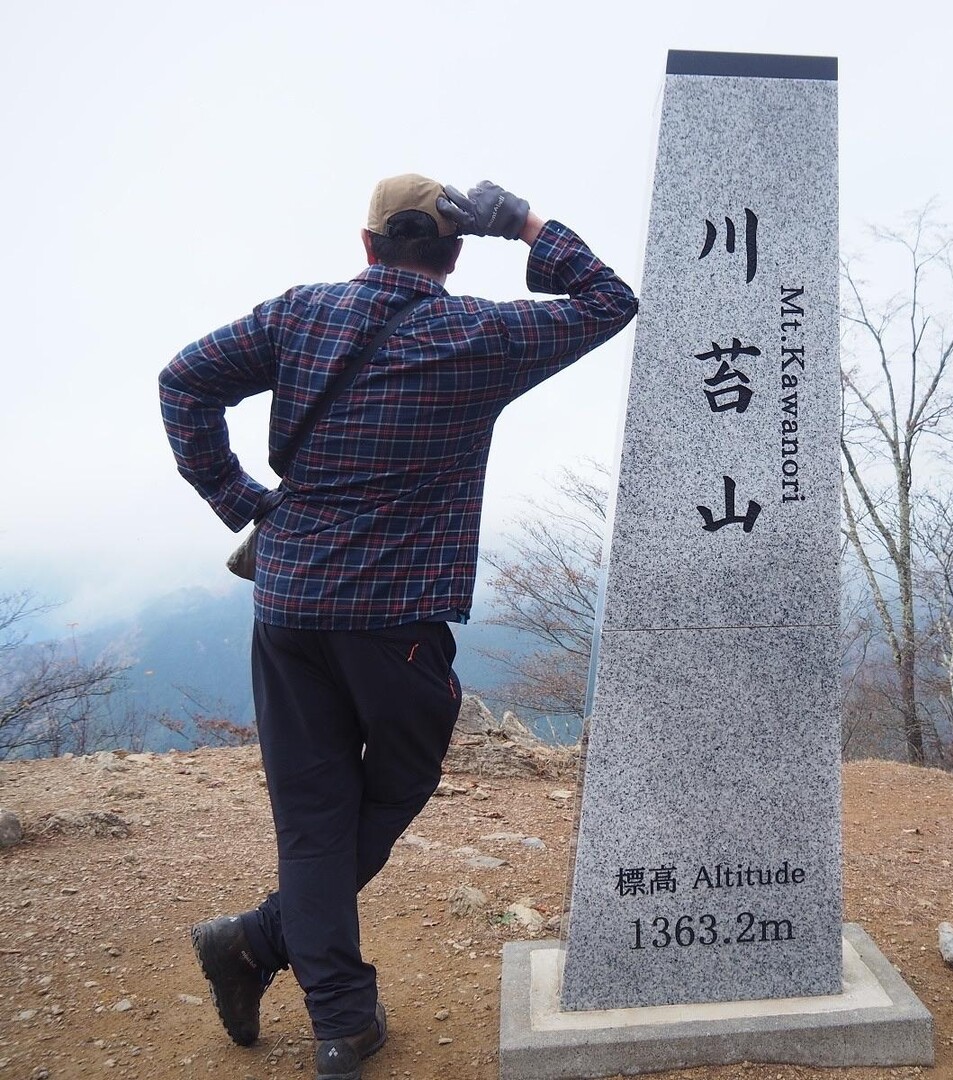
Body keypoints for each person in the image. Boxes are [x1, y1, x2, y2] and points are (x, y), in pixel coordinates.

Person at [159, 174, 636, 1080]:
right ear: (454, 252)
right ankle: (272, 957)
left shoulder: (300, 315)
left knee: (312, 821)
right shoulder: (481, 334)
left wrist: (242, 501)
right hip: (396, 625)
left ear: (369, 243)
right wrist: (529, 225)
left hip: (290, 606)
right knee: (402, 779)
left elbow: (183, 381)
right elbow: (611, 300)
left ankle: (322, 1003)